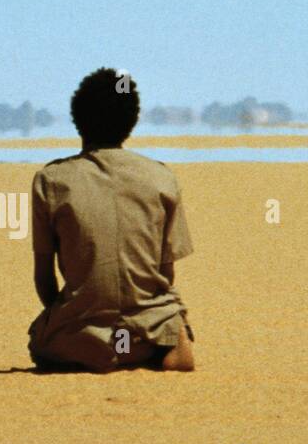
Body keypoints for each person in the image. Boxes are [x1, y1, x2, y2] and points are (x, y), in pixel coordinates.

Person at [28, 68, 196, 373]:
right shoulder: (161, 177)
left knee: (41, 344)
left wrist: (61, 316)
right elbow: (166, 273)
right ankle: (140, 346)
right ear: (131, 122)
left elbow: (44, 279)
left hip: (84, 331)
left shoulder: (51, 180)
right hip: (150, 326)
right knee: (158, 318)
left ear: (77, 119)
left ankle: (110, 347)